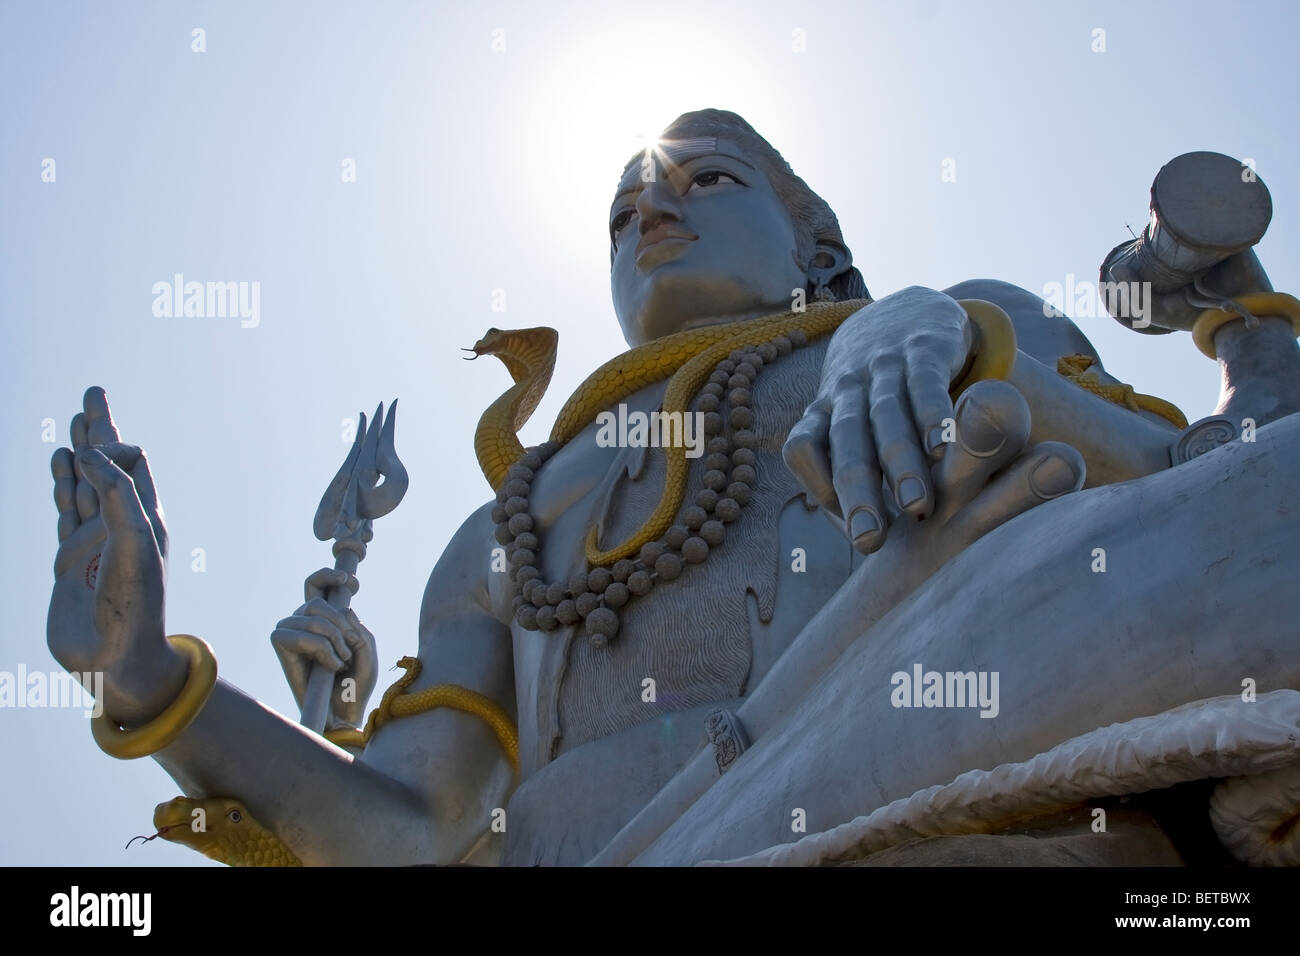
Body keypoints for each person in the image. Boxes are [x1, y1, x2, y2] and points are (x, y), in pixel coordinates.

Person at [46, 109, 1300, 866]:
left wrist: (932, 329)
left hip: (945, 813)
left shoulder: (954, 333)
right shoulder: (503, 529)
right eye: (622, 207)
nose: (652, 209)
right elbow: (406, 831)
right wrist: (146, 677)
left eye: (706, 180)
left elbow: (1179, 514)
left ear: (813, 245)